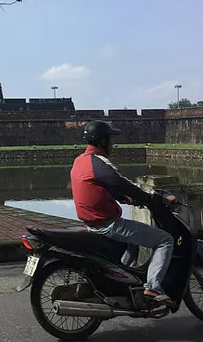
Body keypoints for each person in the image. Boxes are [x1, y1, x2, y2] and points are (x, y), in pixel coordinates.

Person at [70, 120, 175, 304]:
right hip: (107, 223)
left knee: (132, 244)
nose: (113, 143)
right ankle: (153, 288)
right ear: (103, 141)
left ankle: (122, 281)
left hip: (92, 223)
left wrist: (123, 198)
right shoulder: (98, 162)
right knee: (165, 240)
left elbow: (102, 186)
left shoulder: (80, 161)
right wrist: (149, 198)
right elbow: (120, 182)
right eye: (110, 139)